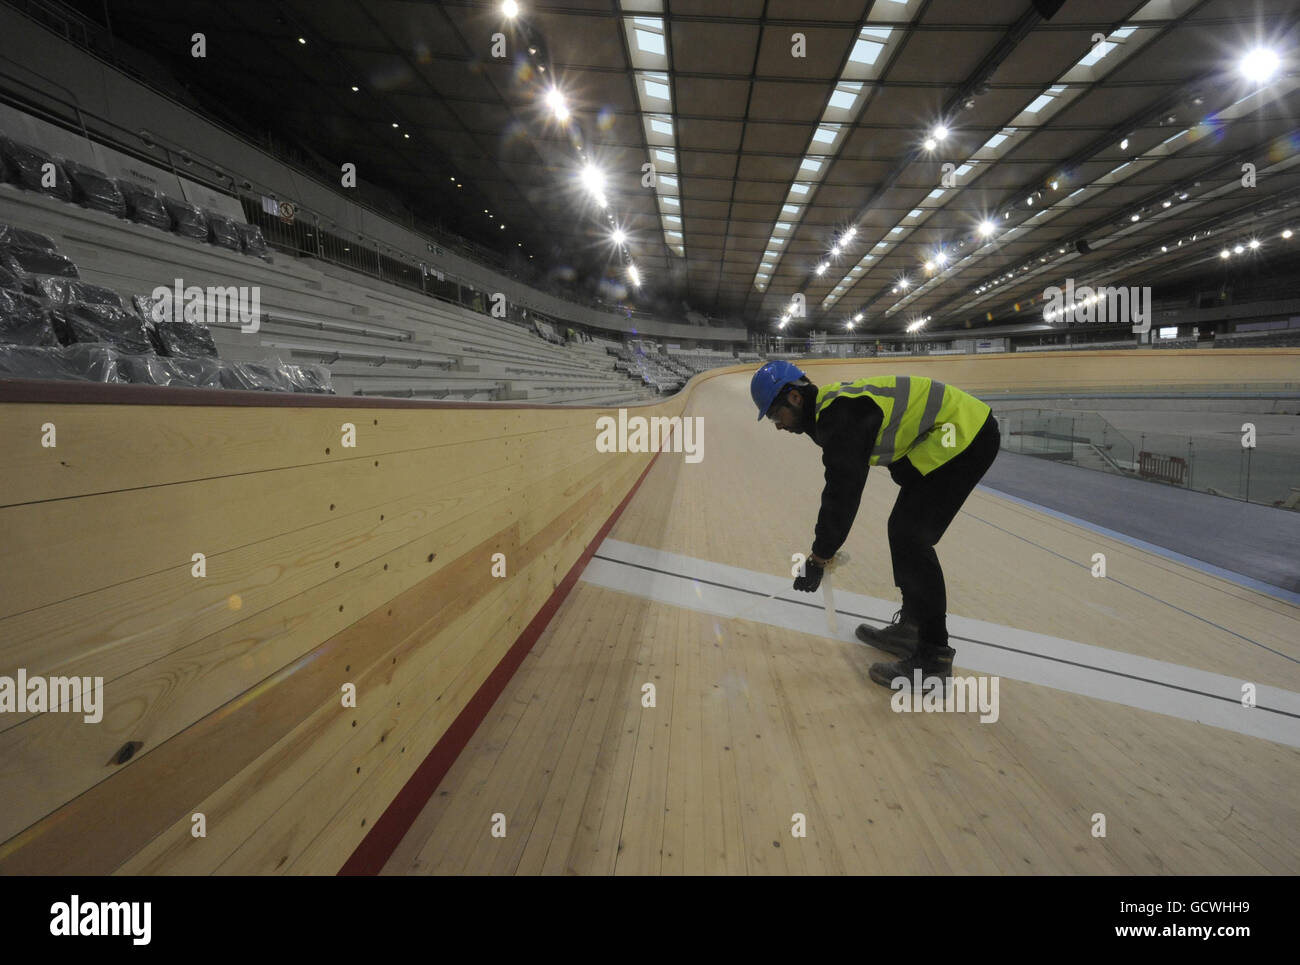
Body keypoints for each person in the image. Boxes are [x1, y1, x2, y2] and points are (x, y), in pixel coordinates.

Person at [750, 360, 1000, 689]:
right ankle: (912, 628)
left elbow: (842, 492)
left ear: (794, 398)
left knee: (912, 537)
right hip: (959, 430)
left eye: (773, 414)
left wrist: (819, 556)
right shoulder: (833, 410)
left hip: (966, 434)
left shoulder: (839, 417)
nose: (777, 425)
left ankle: (934, 657)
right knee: (904, 530)